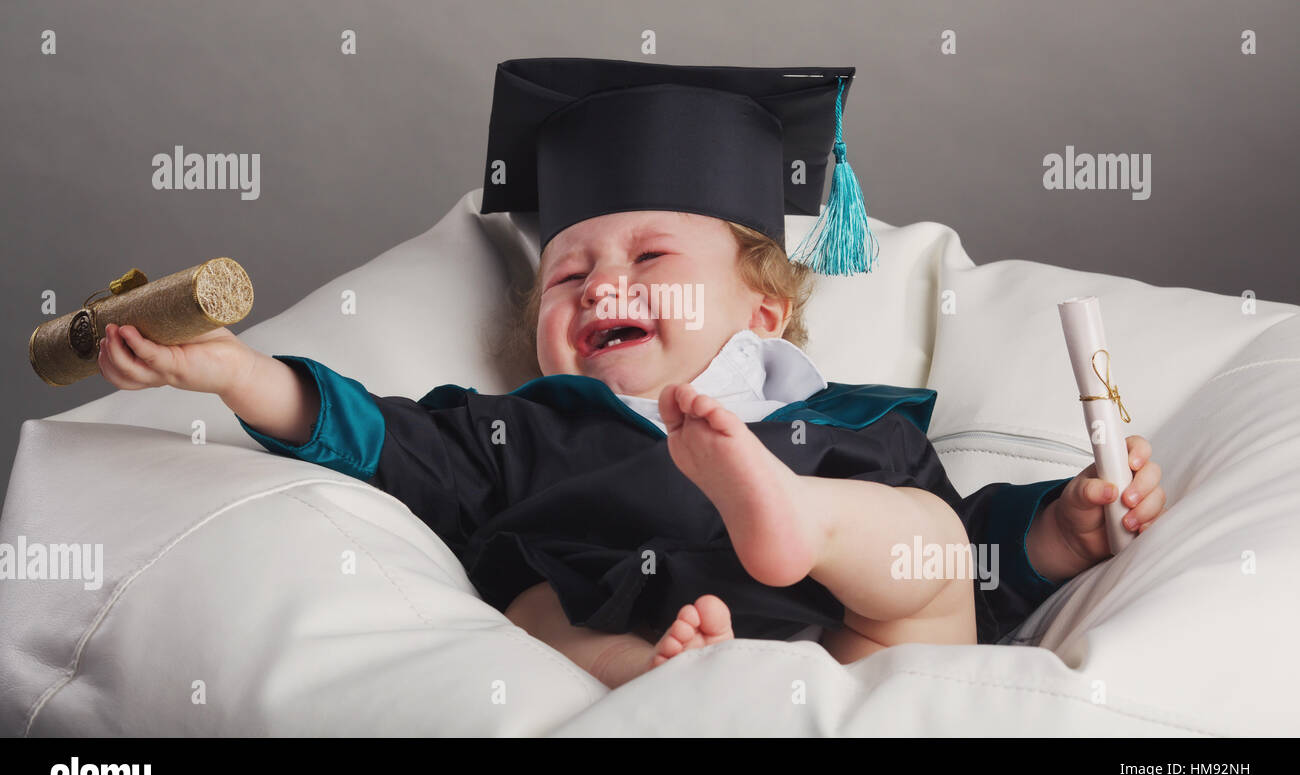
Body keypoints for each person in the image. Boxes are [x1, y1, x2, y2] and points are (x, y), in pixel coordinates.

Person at [94, 58, 1167, 690]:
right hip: (642, 646)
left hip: (852, 664)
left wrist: (1061, 529)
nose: (600, 283)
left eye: (649, 259)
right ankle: (655, 676)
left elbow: (977, 560)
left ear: (763, 310)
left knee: (924, 543)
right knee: (526, 614)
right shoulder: (520, 431)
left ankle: (791, 515)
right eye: (567, 272)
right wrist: (236, 373)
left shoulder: (854, 422)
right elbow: (372, 432)